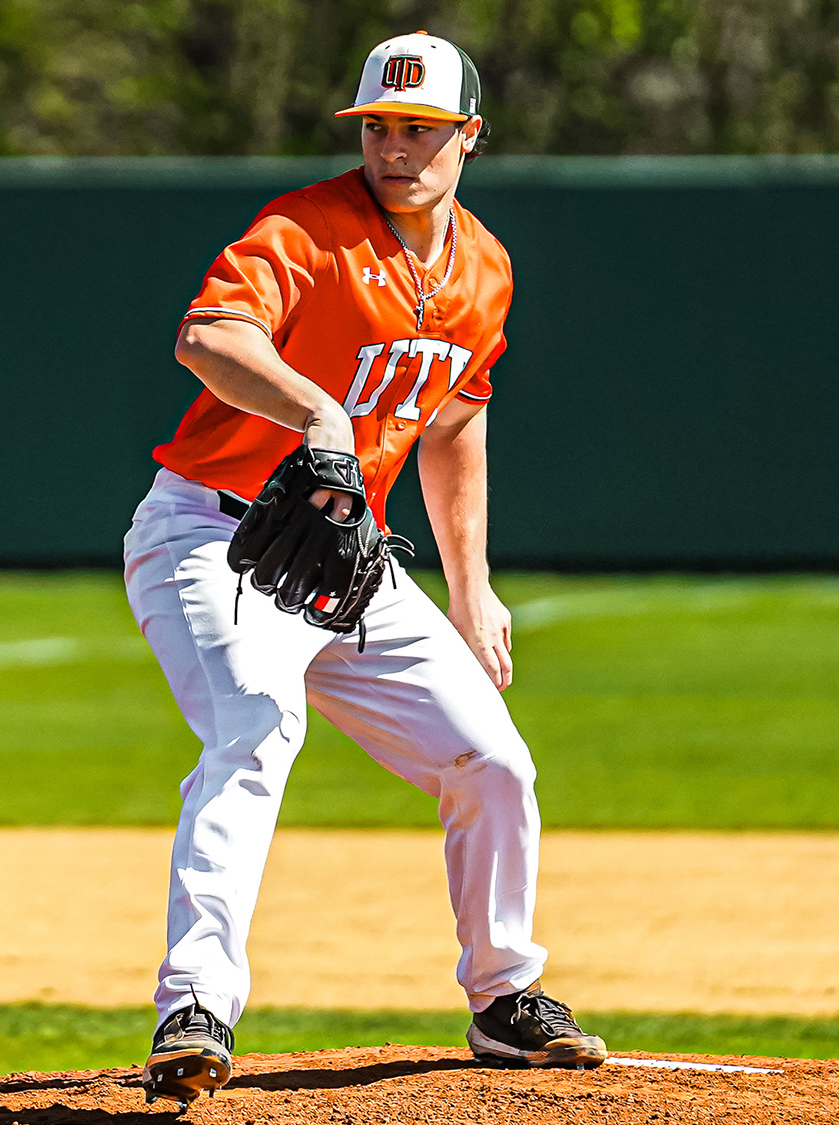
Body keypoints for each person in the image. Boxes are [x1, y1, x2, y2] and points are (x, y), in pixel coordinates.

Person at [123, 31, 607, 1106]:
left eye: (421, 130)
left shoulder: (485, 268)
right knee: (254, 724)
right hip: (212, 535)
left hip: (347, 561)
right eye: (380, 128)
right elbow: (206, 337)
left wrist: (470, 588)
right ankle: (193, 1005)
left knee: (491, 761)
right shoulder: (304, 231)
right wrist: (317, 410)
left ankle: (504, 998)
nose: (396, 149)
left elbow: (452, 426)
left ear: (468, 138)